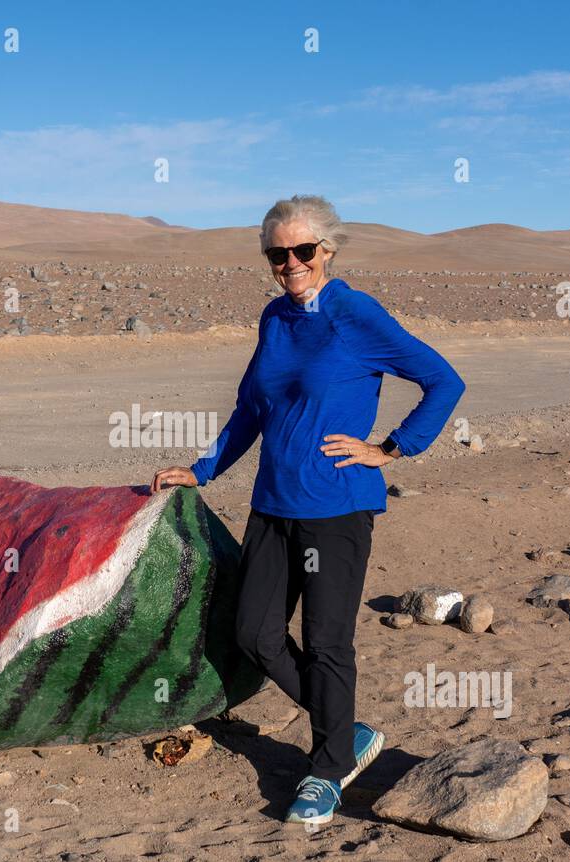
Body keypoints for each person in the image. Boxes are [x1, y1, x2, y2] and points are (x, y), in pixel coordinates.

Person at [150, 195, 465, 824]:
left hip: (336, 507)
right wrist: (203, 469)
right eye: (277, 254)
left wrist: (391, 449)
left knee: (326, 644)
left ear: (328, 251)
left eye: (302, 251)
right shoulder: (274, 319)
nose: (290, 263)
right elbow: (251, 409)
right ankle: (346, 732)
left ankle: (327, 770)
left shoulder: (355, 313)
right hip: (272, 503)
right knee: (253, 633)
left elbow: (444, 381)